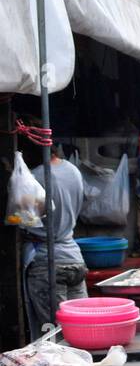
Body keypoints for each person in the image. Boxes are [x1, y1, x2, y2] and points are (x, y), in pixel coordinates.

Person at [18, 139, 87, 334]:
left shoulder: (33, 178)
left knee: (56, 338)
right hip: (75, 259)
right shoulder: (73, 170)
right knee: (80, 331)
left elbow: (23, 219)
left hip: (47, 264)